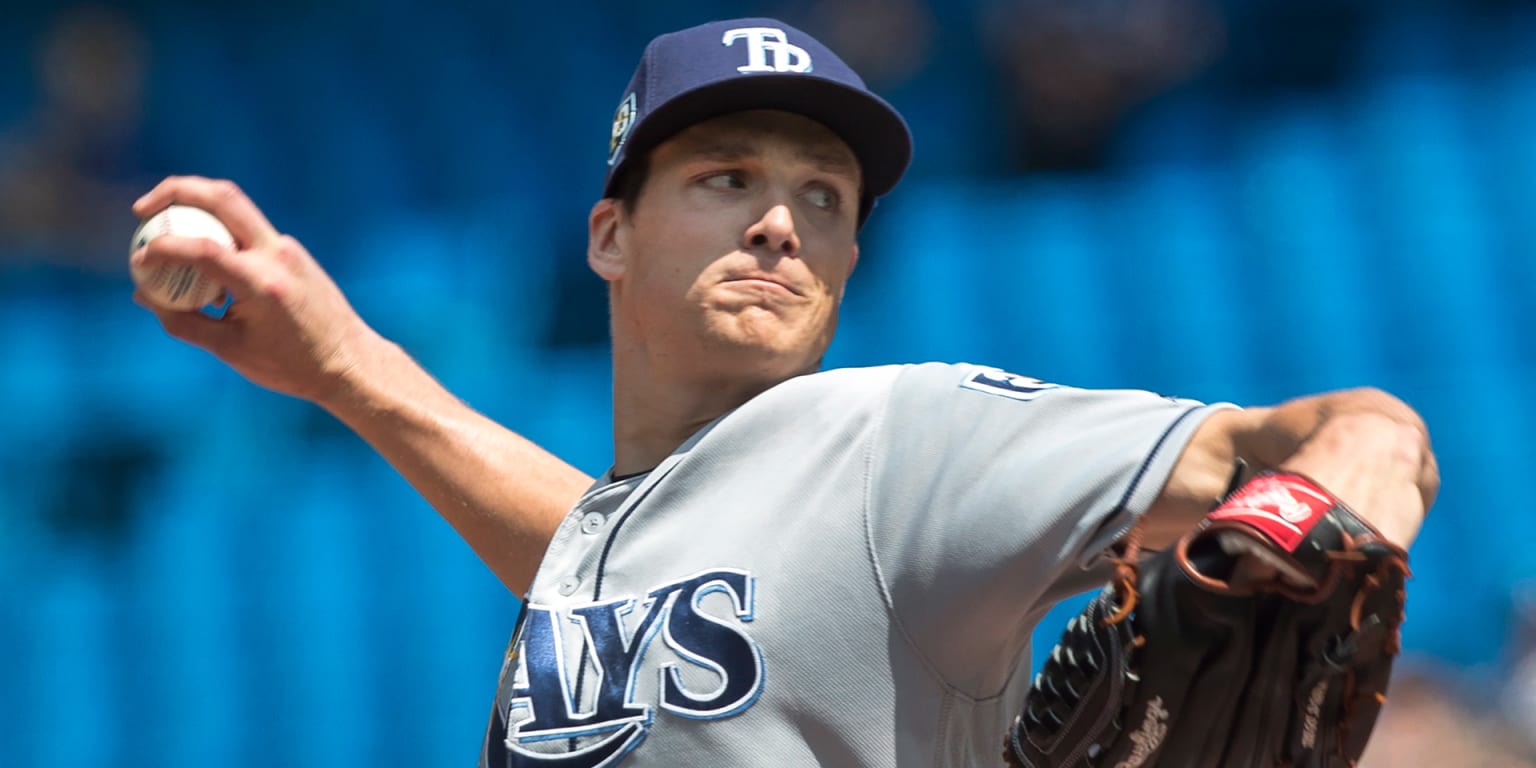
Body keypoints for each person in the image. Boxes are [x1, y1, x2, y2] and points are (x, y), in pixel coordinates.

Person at [130, 17, 1438, 768]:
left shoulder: (903, 441)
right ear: (609, 236)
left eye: (822, 197)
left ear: (853, 257)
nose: (780, 224)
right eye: (725, 179)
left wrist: (1360, 481)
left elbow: (1332, 432)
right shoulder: (631, 548)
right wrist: (346, 365)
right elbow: (605, 548)